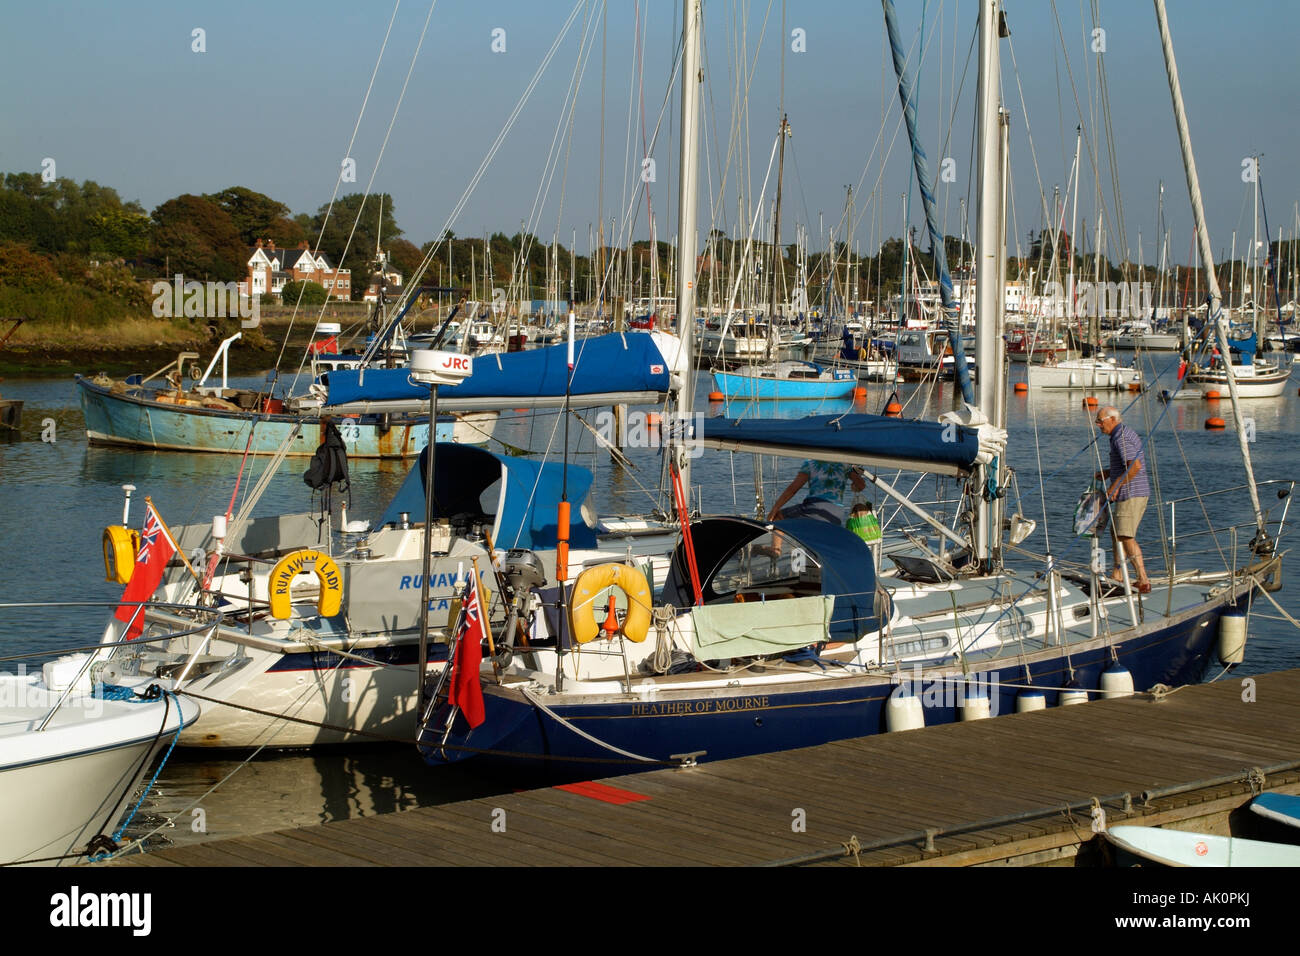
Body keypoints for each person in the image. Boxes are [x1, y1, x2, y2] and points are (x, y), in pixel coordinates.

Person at [1093, 406, 1151, 593]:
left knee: (1125, 535)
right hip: (1130, 492)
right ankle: (1117, 575)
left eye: (1100, 420)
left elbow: (1134, 467)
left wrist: (1114, 486)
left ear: (1112, 419)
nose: (1098, 424)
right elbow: (1128, 465)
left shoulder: (1121, 438)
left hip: (1132, 493)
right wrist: (1110, 473)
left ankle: (1143, 580)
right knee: (1117, 533)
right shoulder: (1119, 435)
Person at [767, 459, 867, 525]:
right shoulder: (844, 464)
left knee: (778, 517)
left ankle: (775, 550)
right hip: (836, 513)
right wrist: (854, 486)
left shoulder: (810, 463)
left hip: (814, 508)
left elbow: (792, 490)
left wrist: (774, 510)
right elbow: (861, 485)